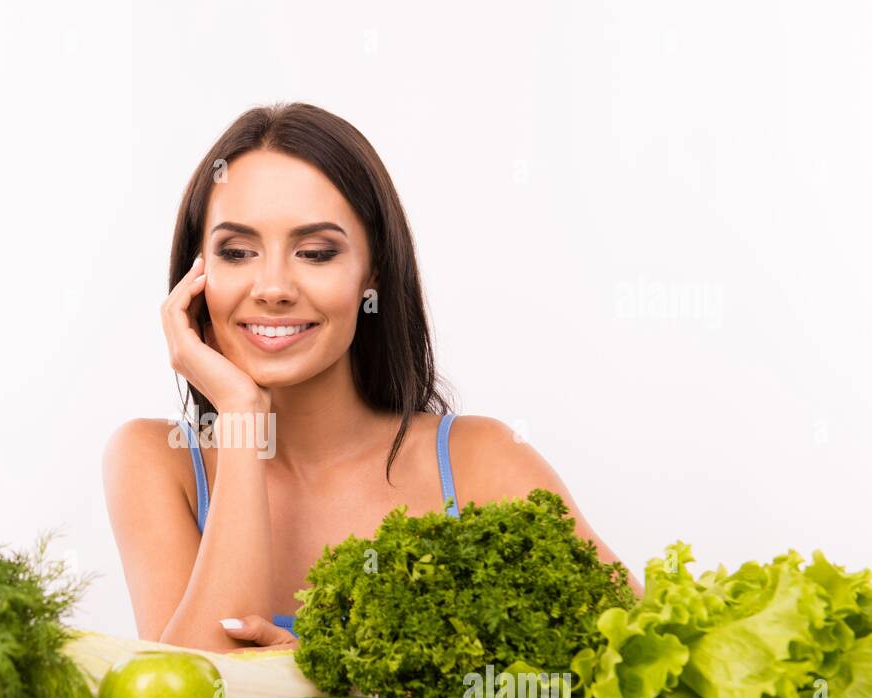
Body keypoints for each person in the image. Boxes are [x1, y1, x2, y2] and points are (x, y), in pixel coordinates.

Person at [104, 102, 641, 653]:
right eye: (236, 252)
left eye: (315, 253)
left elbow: (646, 653)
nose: (272, 287)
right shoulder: (154, 460)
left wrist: (320, 685)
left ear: (372, 274)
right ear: (198, 274)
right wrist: (241, 417)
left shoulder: (484, 462)